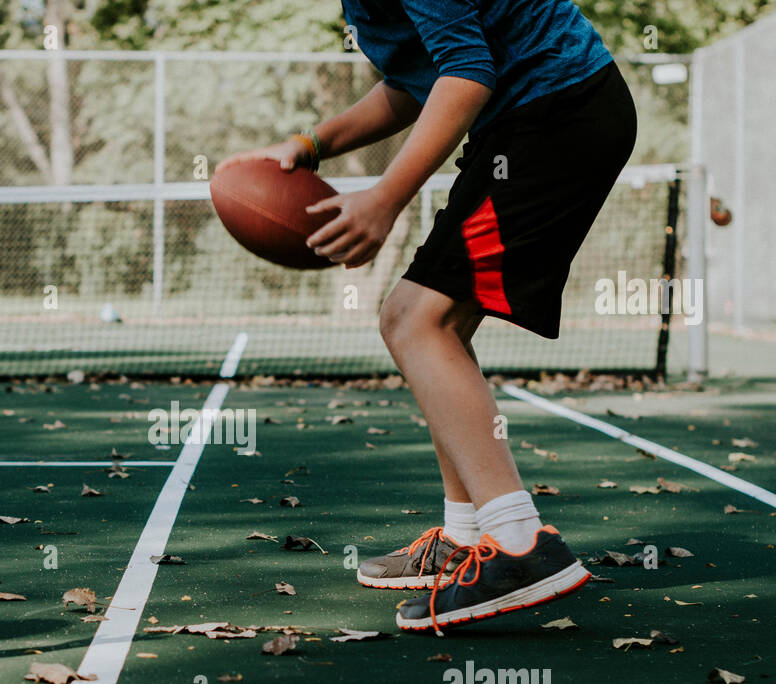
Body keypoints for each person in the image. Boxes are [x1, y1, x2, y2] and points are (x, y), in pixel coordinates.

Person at [217, 0, 637, 633]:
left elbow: (467, 73)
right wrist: (314, 143)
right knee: (429, 323)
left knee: (414, 320)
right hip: (528, 120)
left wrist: (386, 197)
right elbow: (417, 80)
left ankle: (521, 544)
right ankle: (470, 536)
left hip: (556, 112)